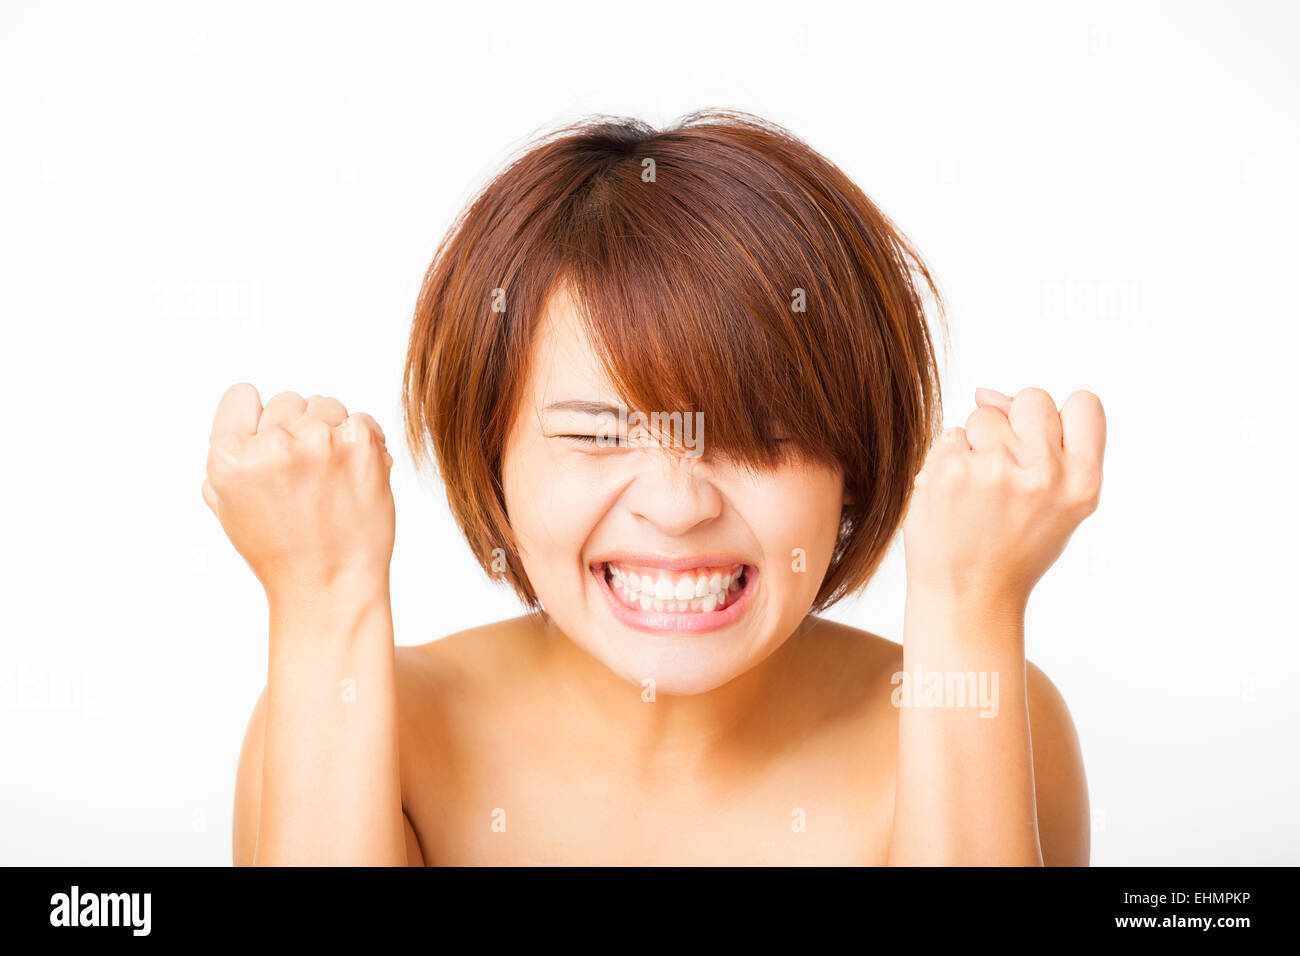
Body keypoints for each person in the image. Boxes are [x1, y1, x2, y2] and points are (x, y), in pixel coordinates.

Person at [203, 110, 1105, 865]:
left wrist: (970, 600)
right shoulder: (368, 721)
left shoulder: (978, 704)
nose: (677, 506)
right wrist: (322, 597)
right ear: (494, 458)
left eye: (759, 434)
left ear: (856, 465)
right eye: (598, 435)